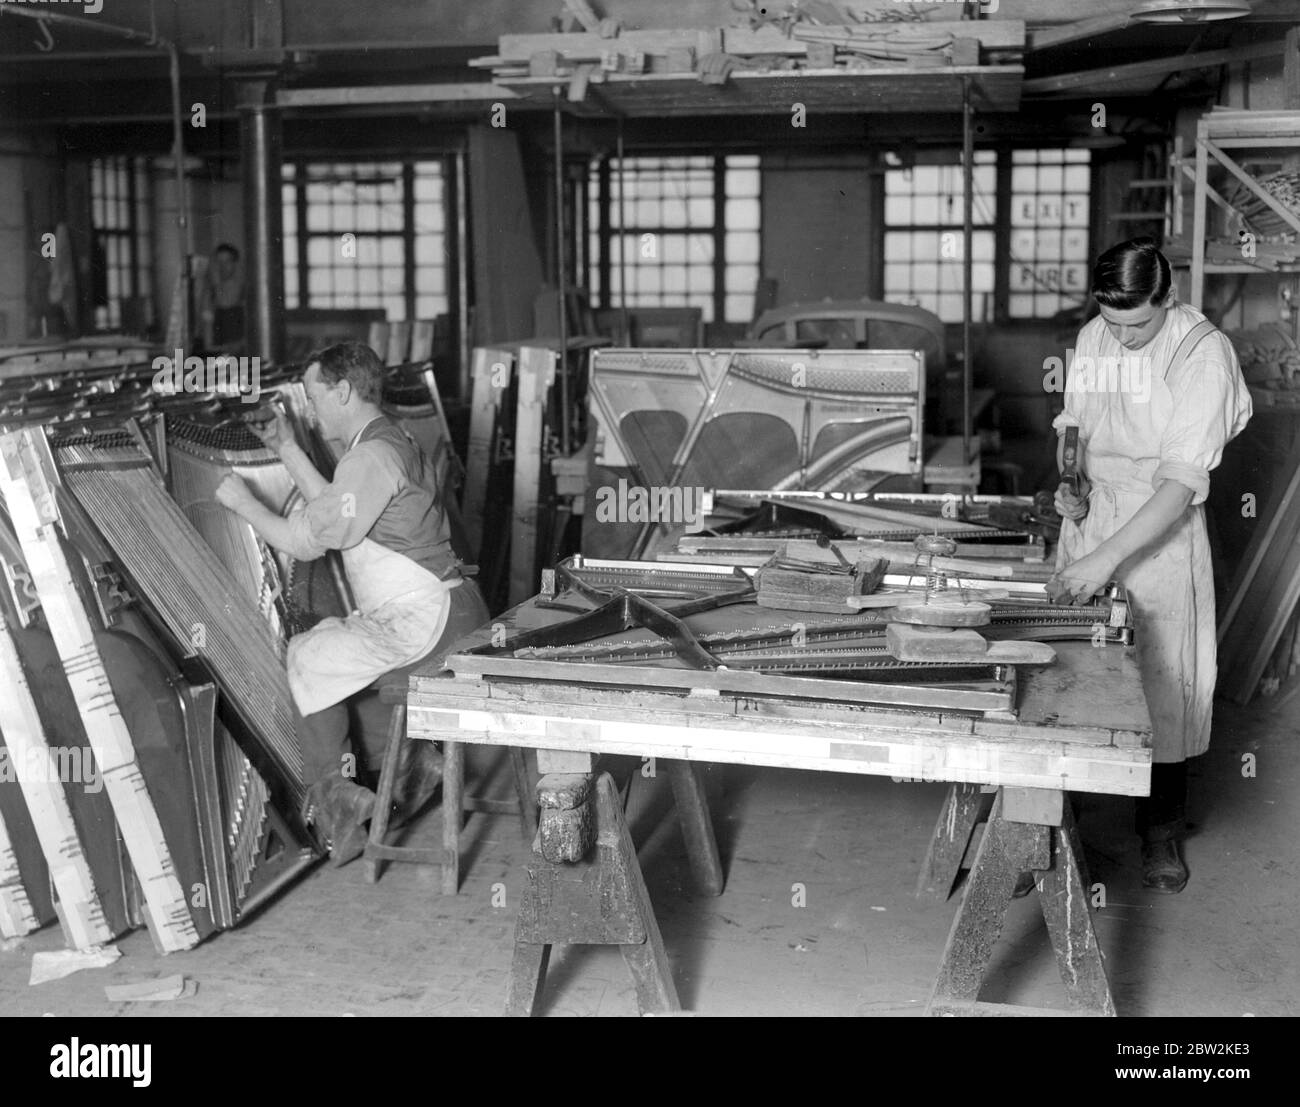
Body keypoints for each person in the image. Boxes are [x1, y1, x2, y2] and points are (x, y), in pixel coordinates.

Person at [215, 341, 487, 864]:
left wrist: (242, 502)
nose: (311, 411)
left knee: (309, 655)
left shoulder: (368, 457)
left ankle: (339, 804)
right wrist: (288, 445)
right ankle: (409, 771)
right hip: (445, 606)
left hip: (430, 617)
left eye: (314, 399)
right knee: (331, 650)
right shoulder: (387, 439)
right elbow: (335, 507)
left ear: (342, 391)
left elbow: (303, 539)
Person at [1046, 237, 1251, 893]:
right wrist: (1069, 482)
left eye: (1138, 323)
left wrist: (1108, 556)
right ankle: (1048, 817)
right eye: (1113, 322)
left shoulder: (1201, 353)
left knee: (1161, 679)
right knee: (1072, 668)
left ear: (1168, 298)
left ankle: (1159, 829)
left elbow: (1178, 483)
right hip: (1093, 518)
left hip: (1157, 528)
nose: (1124, 338)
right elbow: (1073, 425)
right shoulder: (1097, 336)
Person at [200, 243, 246, 351]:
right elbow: (208, 344)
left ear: (235, 263)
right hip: (219, 355)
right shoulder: (210, 294)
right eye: (218, 262)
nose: (222, 266)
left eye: (227, 261)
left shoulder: (244, 291)